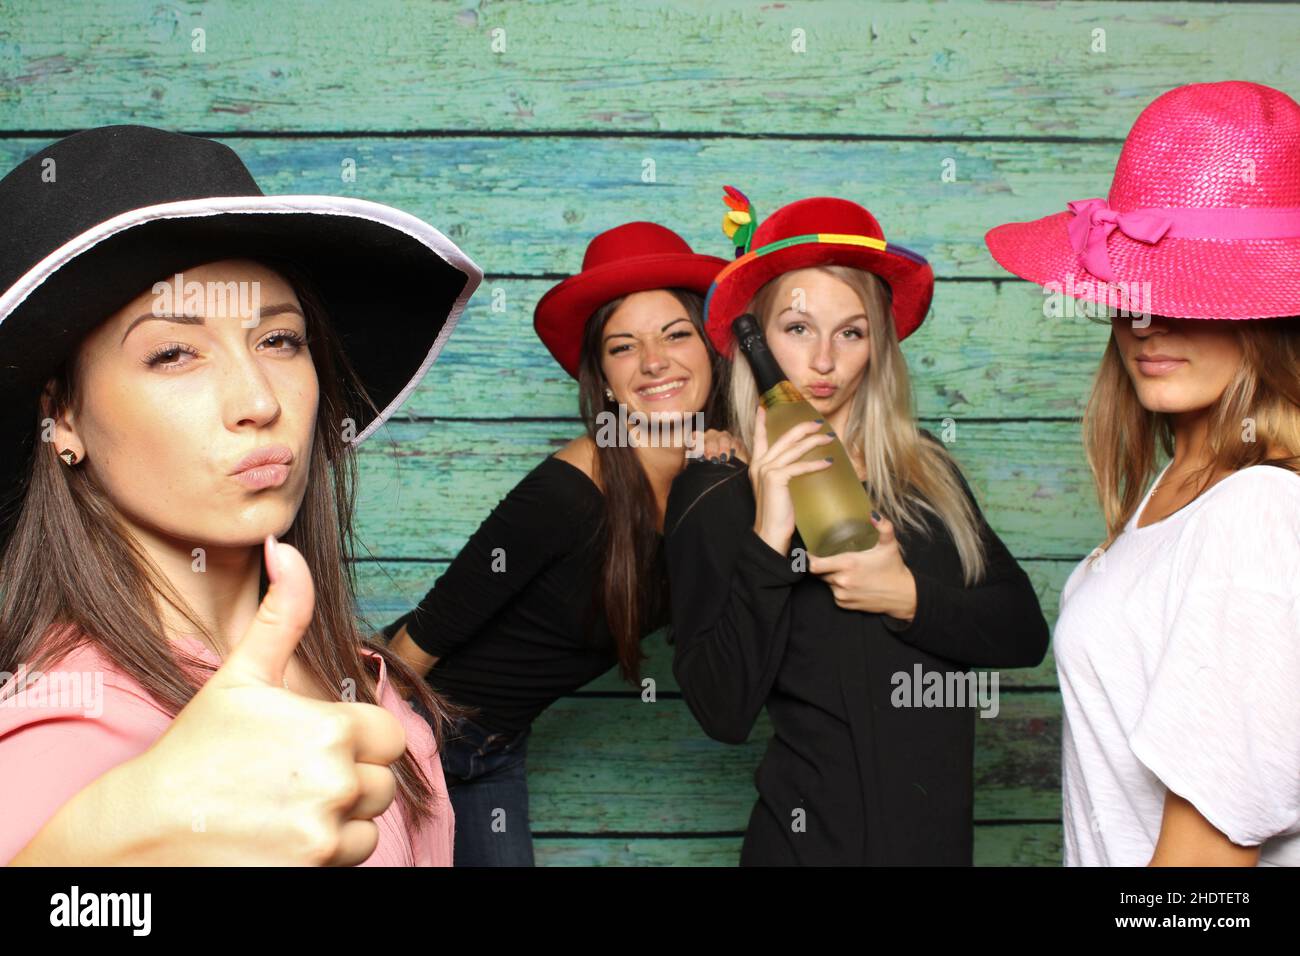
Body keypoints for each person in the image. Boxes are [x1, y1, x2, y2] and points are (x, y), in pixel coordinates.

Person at [0, 124, 482, 865]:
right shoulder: (58, 728)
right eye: (173, 353)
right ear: (62, 418)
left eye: (280, 341)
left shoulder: (371, 689)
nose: (258, 399)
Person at [664, 189, 1050, 865]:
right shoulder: (716, 489)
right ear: (757, 339)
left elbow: (1023, 633)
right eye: (797, 328)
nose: (823, 361)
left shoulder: (924, 473)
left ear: (878, 344)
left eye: (851, 331)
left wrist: (906, 596)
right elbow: (721, 712)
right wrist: (770, 531)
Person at [986, 80, 1300, 866]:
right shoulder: (1178, 487)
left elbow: (1203, 875)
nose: (1146, 319)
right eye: (1132, 289)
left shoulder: (1259, 510)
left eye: (1190, 291)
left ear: (1270, 315)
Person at [382, 222, 734, 865]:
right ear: (602, 379)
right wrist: (375, 754)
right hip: (405, 727)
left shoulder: (714, 486)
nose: (655, 362)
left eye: (677, 334)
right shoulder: (570, 491)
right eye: (625, 347)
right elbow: (428, 633)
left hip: (494, 747)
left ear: (715, 350)